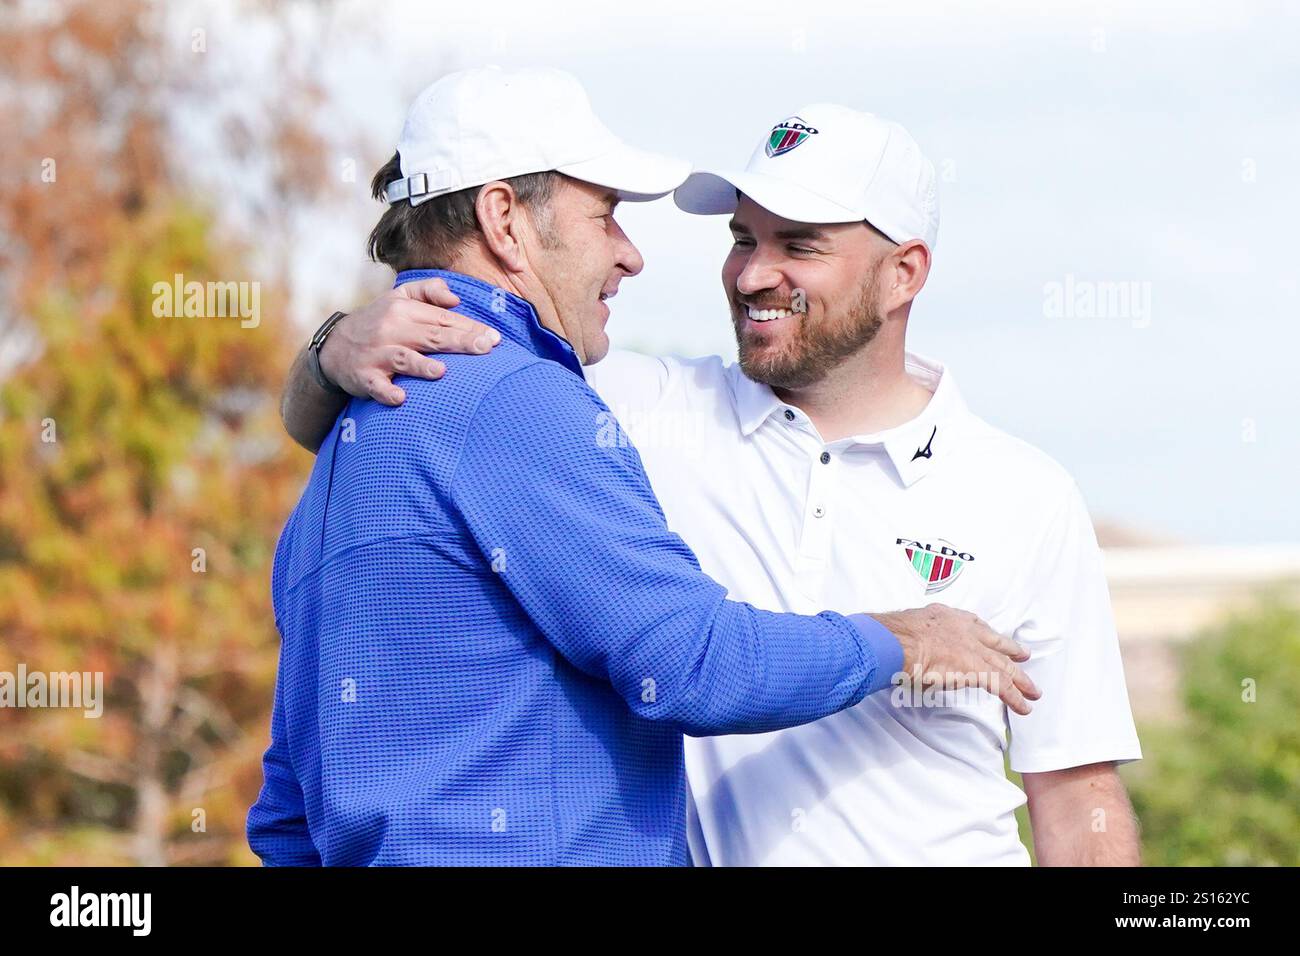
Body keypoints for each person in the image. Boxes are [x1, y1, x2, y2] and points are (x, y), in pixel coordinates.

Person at [284, 99, 1142, 866]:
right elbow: (469, 379)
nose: (751, 273)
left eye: (798, 245)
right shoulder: (613, 409)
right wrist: (332, 349)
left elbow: (1076, 800)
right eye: (741, 239)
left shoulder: (1027, 496)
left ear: (905, 272)